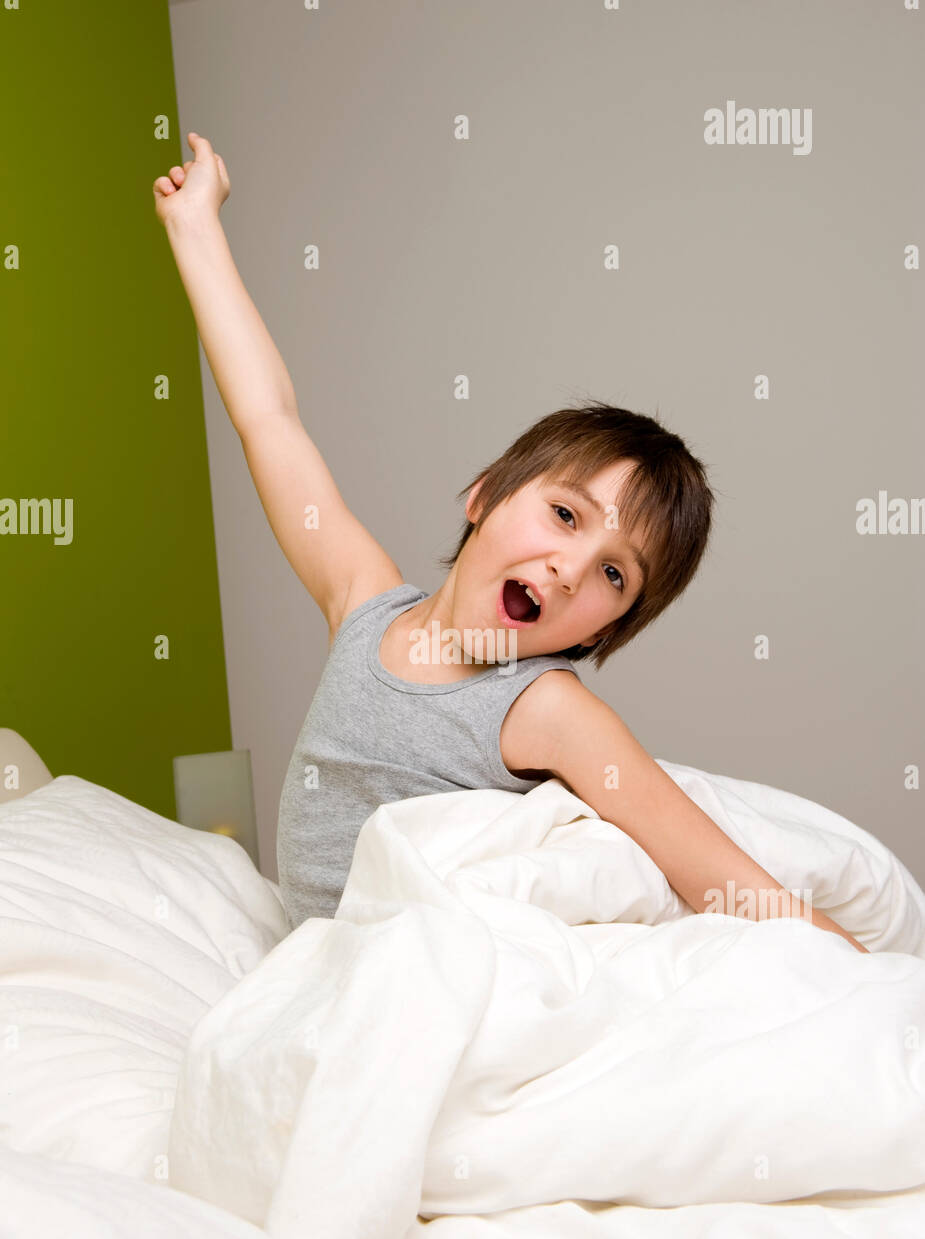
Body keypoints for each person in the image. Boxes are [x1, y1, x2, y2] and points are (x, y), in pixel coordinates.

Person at [153, 133, 867, 954]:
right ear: (484, 491)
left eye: (612, 574)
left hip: (417, 977)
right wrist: (194, 224)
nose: (569, 568)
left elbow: (713, 871)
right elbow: (267, 417)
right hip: (316, 977)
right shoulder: (362, 602)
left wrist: (874, 986)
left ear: (603, 630)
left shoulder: (544, 708)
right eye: (565, 515)